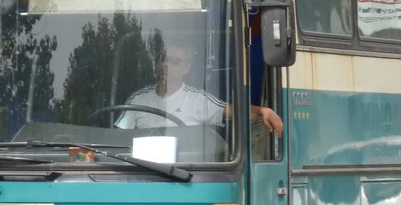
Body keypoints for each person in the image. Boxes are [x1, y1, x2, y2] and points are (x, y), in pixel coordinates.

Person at [115, 43, 282, 136]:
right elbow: (120, 137)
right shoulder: (138, 99)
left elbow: (230, 110)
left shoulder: (197, 99)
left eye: (174, 61)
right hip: (141, 170)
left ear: (186, 68)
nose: (166, 64)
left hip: (185, 172)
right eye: (163, 59)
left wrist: (263, 110)